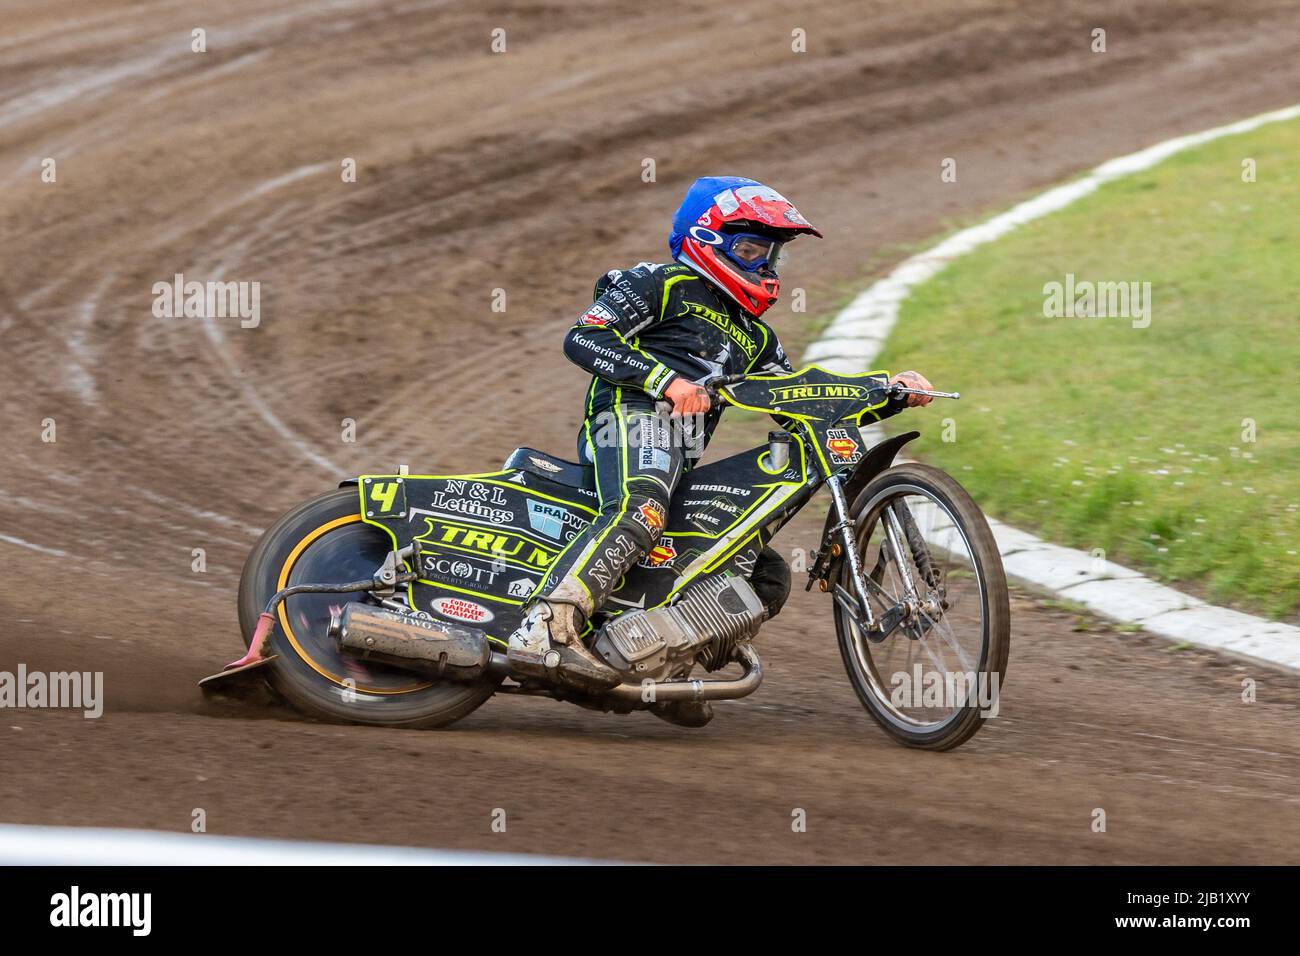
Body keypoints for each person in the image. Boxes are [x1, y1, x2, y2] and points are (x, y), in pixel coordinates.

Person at [507, 176, 933, 694]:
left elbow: (799, 405)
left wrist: (888, 393)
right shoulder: (659, 282)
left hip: (679, 457)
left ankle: (664, 666)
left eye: (771, 255)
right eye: (750, 250)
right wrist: (664, 381)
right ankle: (546, 627)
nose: (764, 266)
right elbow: (583, 337)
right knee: (642, 507)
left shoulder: (757, 337)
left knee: (763, 573)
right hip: (628, 420)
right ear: (707, 240)